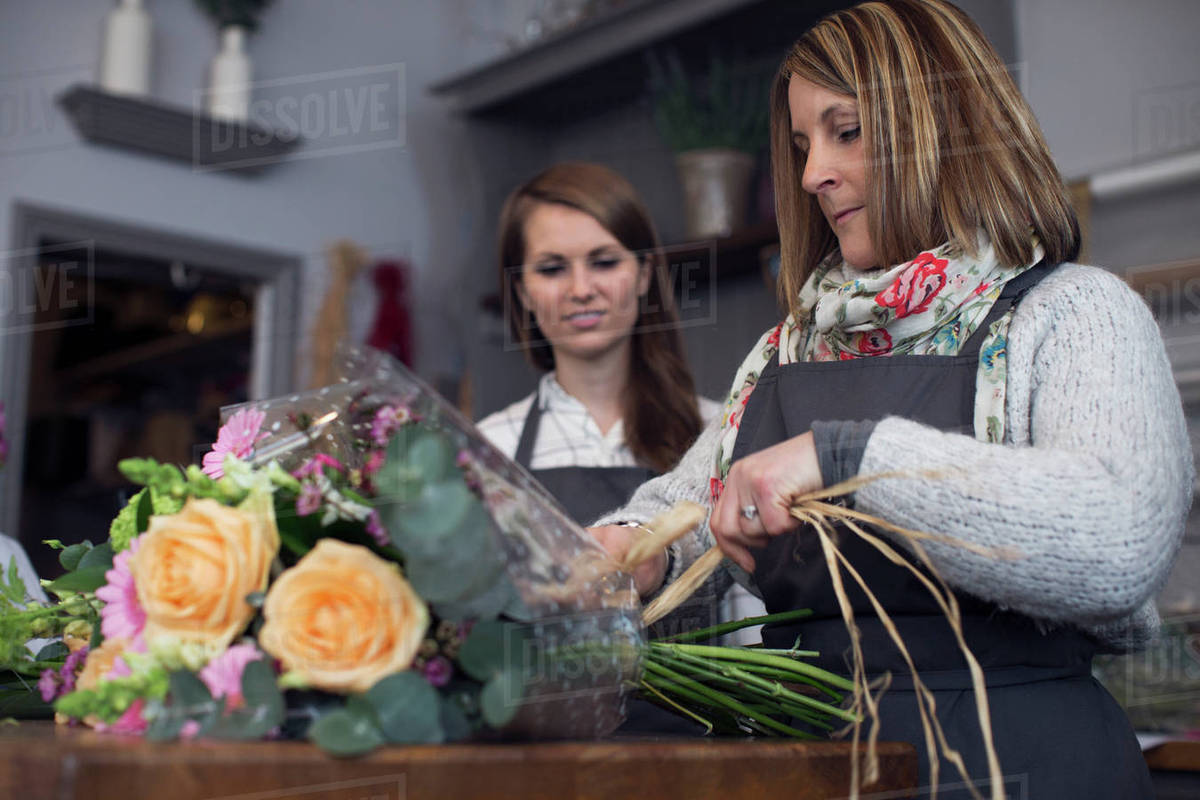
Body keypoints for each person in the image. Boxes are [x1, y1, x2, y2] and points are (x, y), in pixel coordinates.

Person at [591, 0, 1193, 794]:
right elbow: (688, 507)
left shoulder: (1075, 312)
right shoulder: (786, 350)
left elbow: (1120, 543)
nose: (811, 176)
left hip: (1023, 767)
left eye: (847, 132)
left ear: (942, 125)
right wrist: (631, 550)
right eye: (804, 146)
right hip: (816, 765)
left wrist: (849, 460)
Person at [477, 162, 762, 639]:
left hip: (703, 716)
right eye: (552, 269)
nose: (581, 289)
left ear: (645, 274)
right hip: (545, 714)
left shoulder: (720, 431)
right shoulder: (487, 451)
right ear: (522, 291)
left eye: (604, 262)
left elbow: (747, 615)